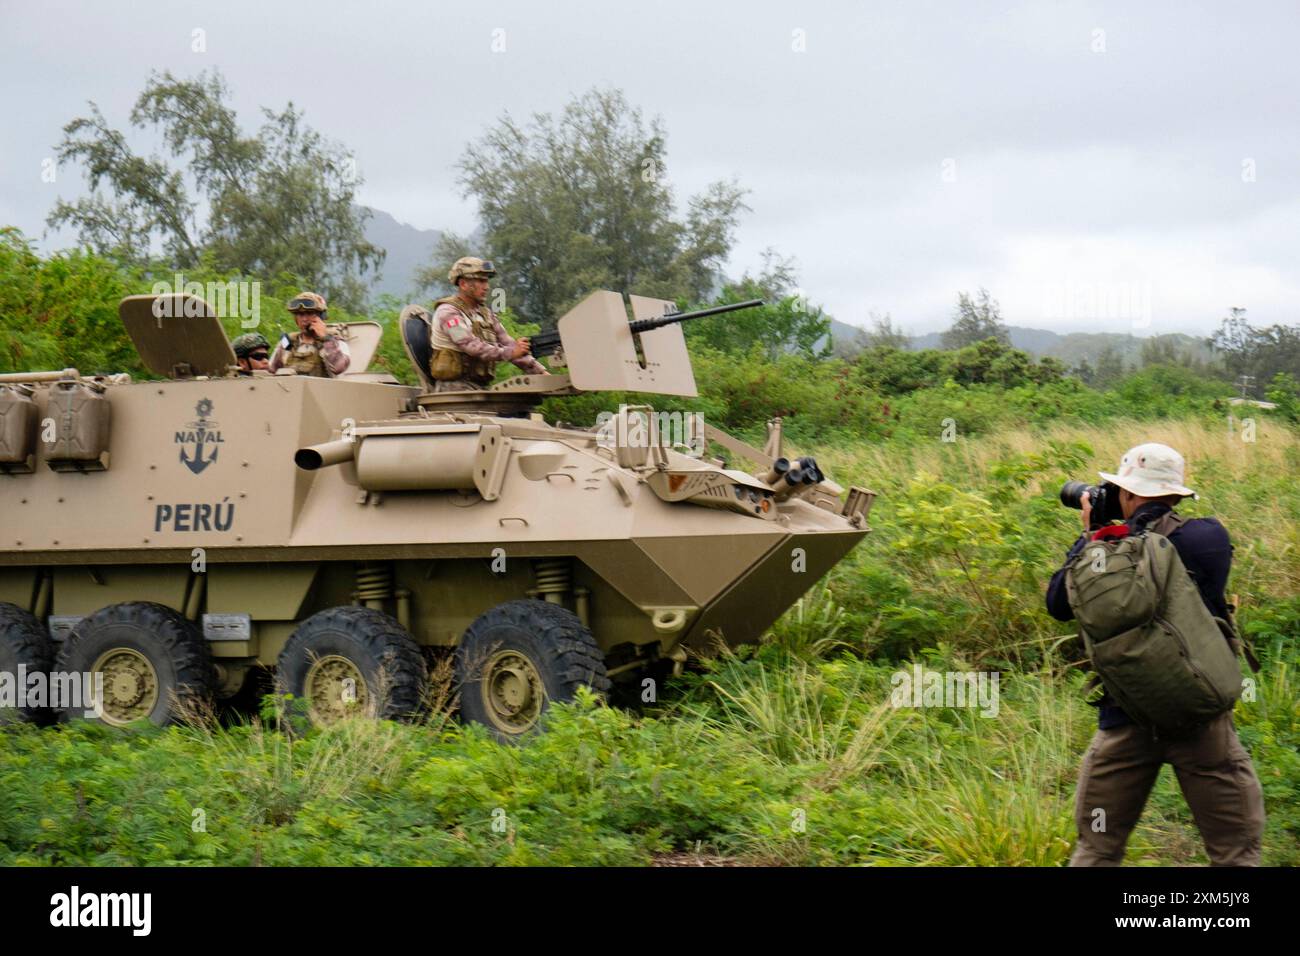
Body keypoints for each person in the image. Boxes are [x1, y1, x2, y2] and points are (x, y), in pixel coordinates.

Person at [1046, 442, 1265, 866]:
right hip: (1200, 718)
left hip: (1124, 717)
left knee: (1097, 846)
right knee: (1236, 851)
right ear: (1178, 495)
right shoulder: (1207, 538)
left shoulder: (1105, 550)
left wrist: (1091, 535)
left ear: (1125, 494)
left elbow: (1057, 603)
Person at [413, 257, 545, 392]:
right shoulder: (448, 313)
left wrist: (540, 373)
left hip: (479, 389)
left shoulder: (485, 314)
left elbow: (508, 343)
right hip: (453, 390)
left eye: (487, 281)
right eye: (481, 281)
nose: (486, 287)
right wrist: (510, 353)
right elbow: (471, 346)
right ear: (463, 284)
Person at [269, 291, 351, 377]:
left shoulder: (335, 341)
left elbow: (339, 367)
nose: (304, 319)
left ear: (321, 316)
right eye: (300, 314)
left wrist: (325, 338)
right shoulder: (287, 342)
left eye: (309, 313)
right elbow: (271, 373)